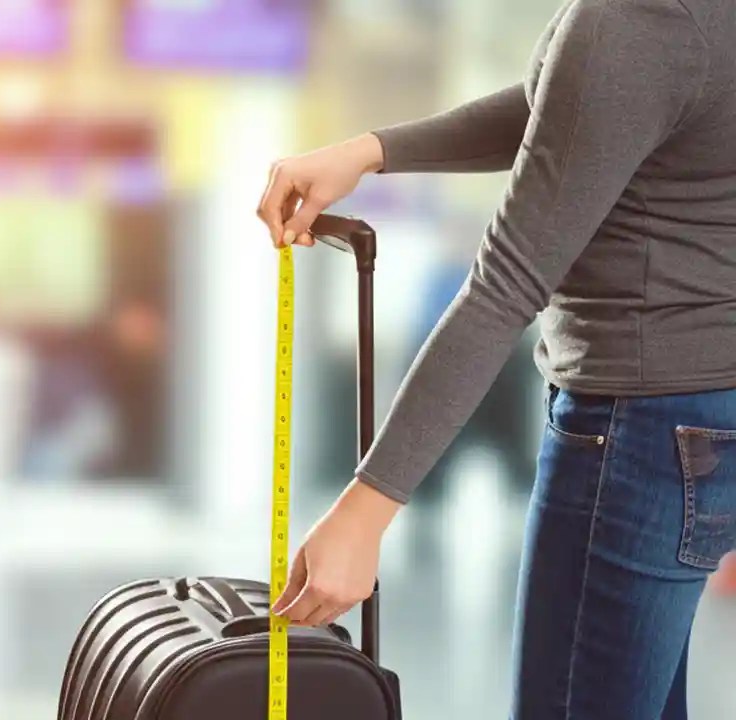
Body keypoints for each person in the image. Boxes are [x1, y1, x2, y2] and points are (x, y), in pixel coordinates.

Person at [256, 1, 736, 718]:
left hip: (635, 428)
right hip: (708, 406)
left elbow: (505, 284)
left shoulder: (634, 20)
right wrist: (374, 149)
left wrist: (366, 510)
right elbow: (585, 111)